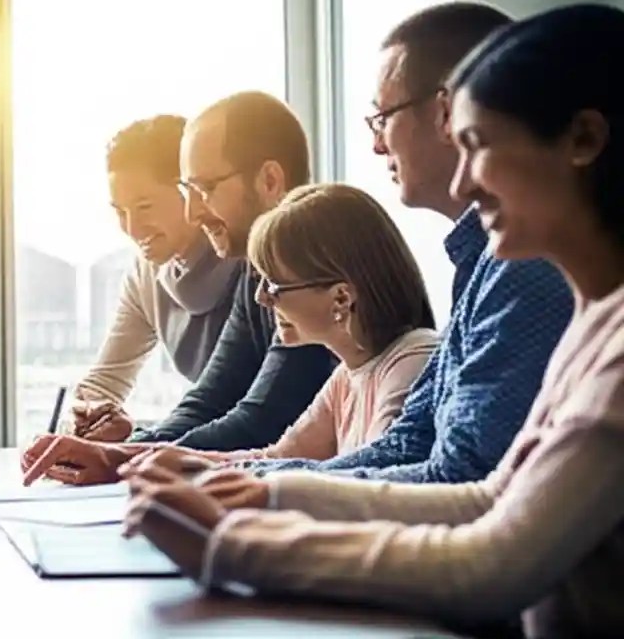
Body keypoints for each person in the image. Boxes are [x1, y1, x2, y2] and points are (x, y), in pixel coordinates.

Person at [122, 2, 624, 639]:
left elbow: (495, 561)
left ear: (583, 140)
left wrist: (234, 541)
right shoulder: (594, 320)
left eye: (480, 145)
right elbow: (491, 495)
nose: (467, 182)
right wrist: (264, 495)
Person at [236, 1, 573, 483]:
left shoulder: (527, 267)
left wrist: (264, 491)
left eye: (382, 118)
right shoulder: (480, 262)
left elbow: (463, 476)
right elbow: (410, 441)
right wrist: (254, 480)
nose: (377, 145)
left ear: (444, 113)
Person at [22, 91, 338, 485]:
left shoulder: (308, 260)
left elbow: (260, 418)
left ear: (271, 180)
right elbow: (211, 399)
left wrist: (123, 457)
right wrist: (123, 449)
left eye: (204, 190)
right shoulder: (258, 268)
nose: (194, 211)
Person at [157, 184, 437, 467]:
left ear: (341, 298)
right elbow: (273, 459)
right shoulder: (346, 376)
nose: (261, 298)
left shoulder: (412, 360)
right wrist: (159, 458)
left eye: (275, 285)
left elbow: (375, 469)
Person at [69, 115, 241, 442]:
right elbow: (103, 382)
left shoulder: (246, 257)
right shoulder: (146, 275)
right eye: (120, 212)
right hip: (207, 446)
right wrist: (86, 419)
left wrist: (139, 443)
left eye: (144, 207)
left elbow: (251, 405)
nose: (132, 229)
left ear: (190, 191)